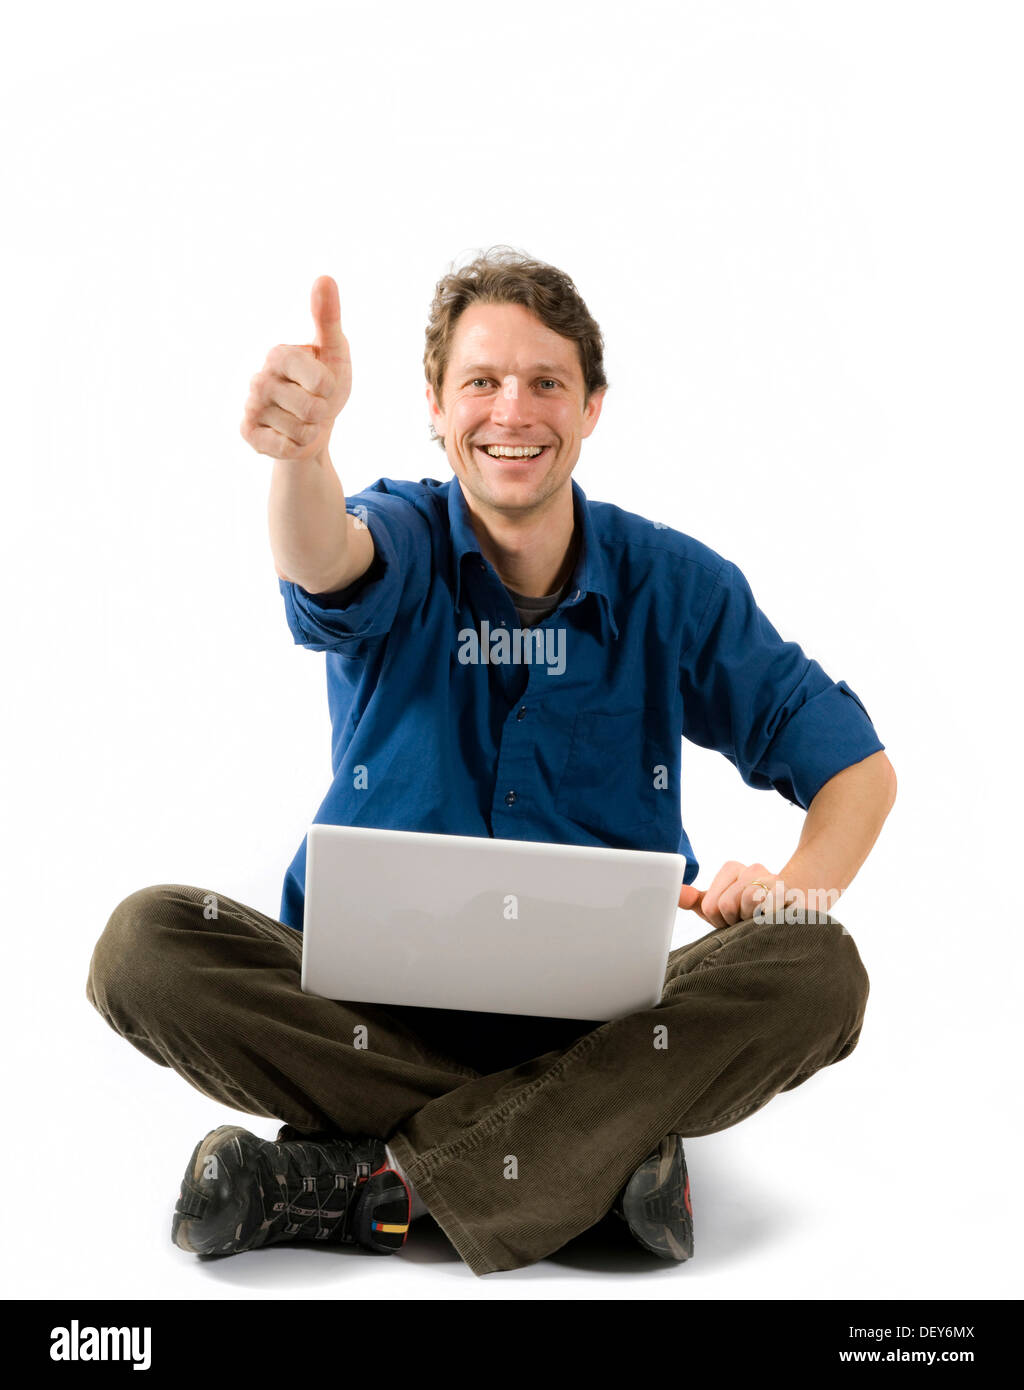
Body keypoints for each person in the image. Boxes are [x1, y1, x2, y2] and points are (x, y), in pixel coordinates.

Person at [86, 247, 896, 1277]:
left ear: (592, 406)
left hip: (602, 1024)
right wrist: (302, 453)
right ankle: (589, 1161)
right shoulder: (404, 533)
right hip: (366, 1020)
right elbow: (328, 558)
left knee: (815, 965)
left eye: (545, 381)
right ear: (434, 405)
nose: (512, 409)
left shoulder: (673, 584)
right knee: (145, 945)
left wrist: (787, 887)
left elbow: (853, 766)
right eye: (481, 381)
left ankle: (347, 1180)